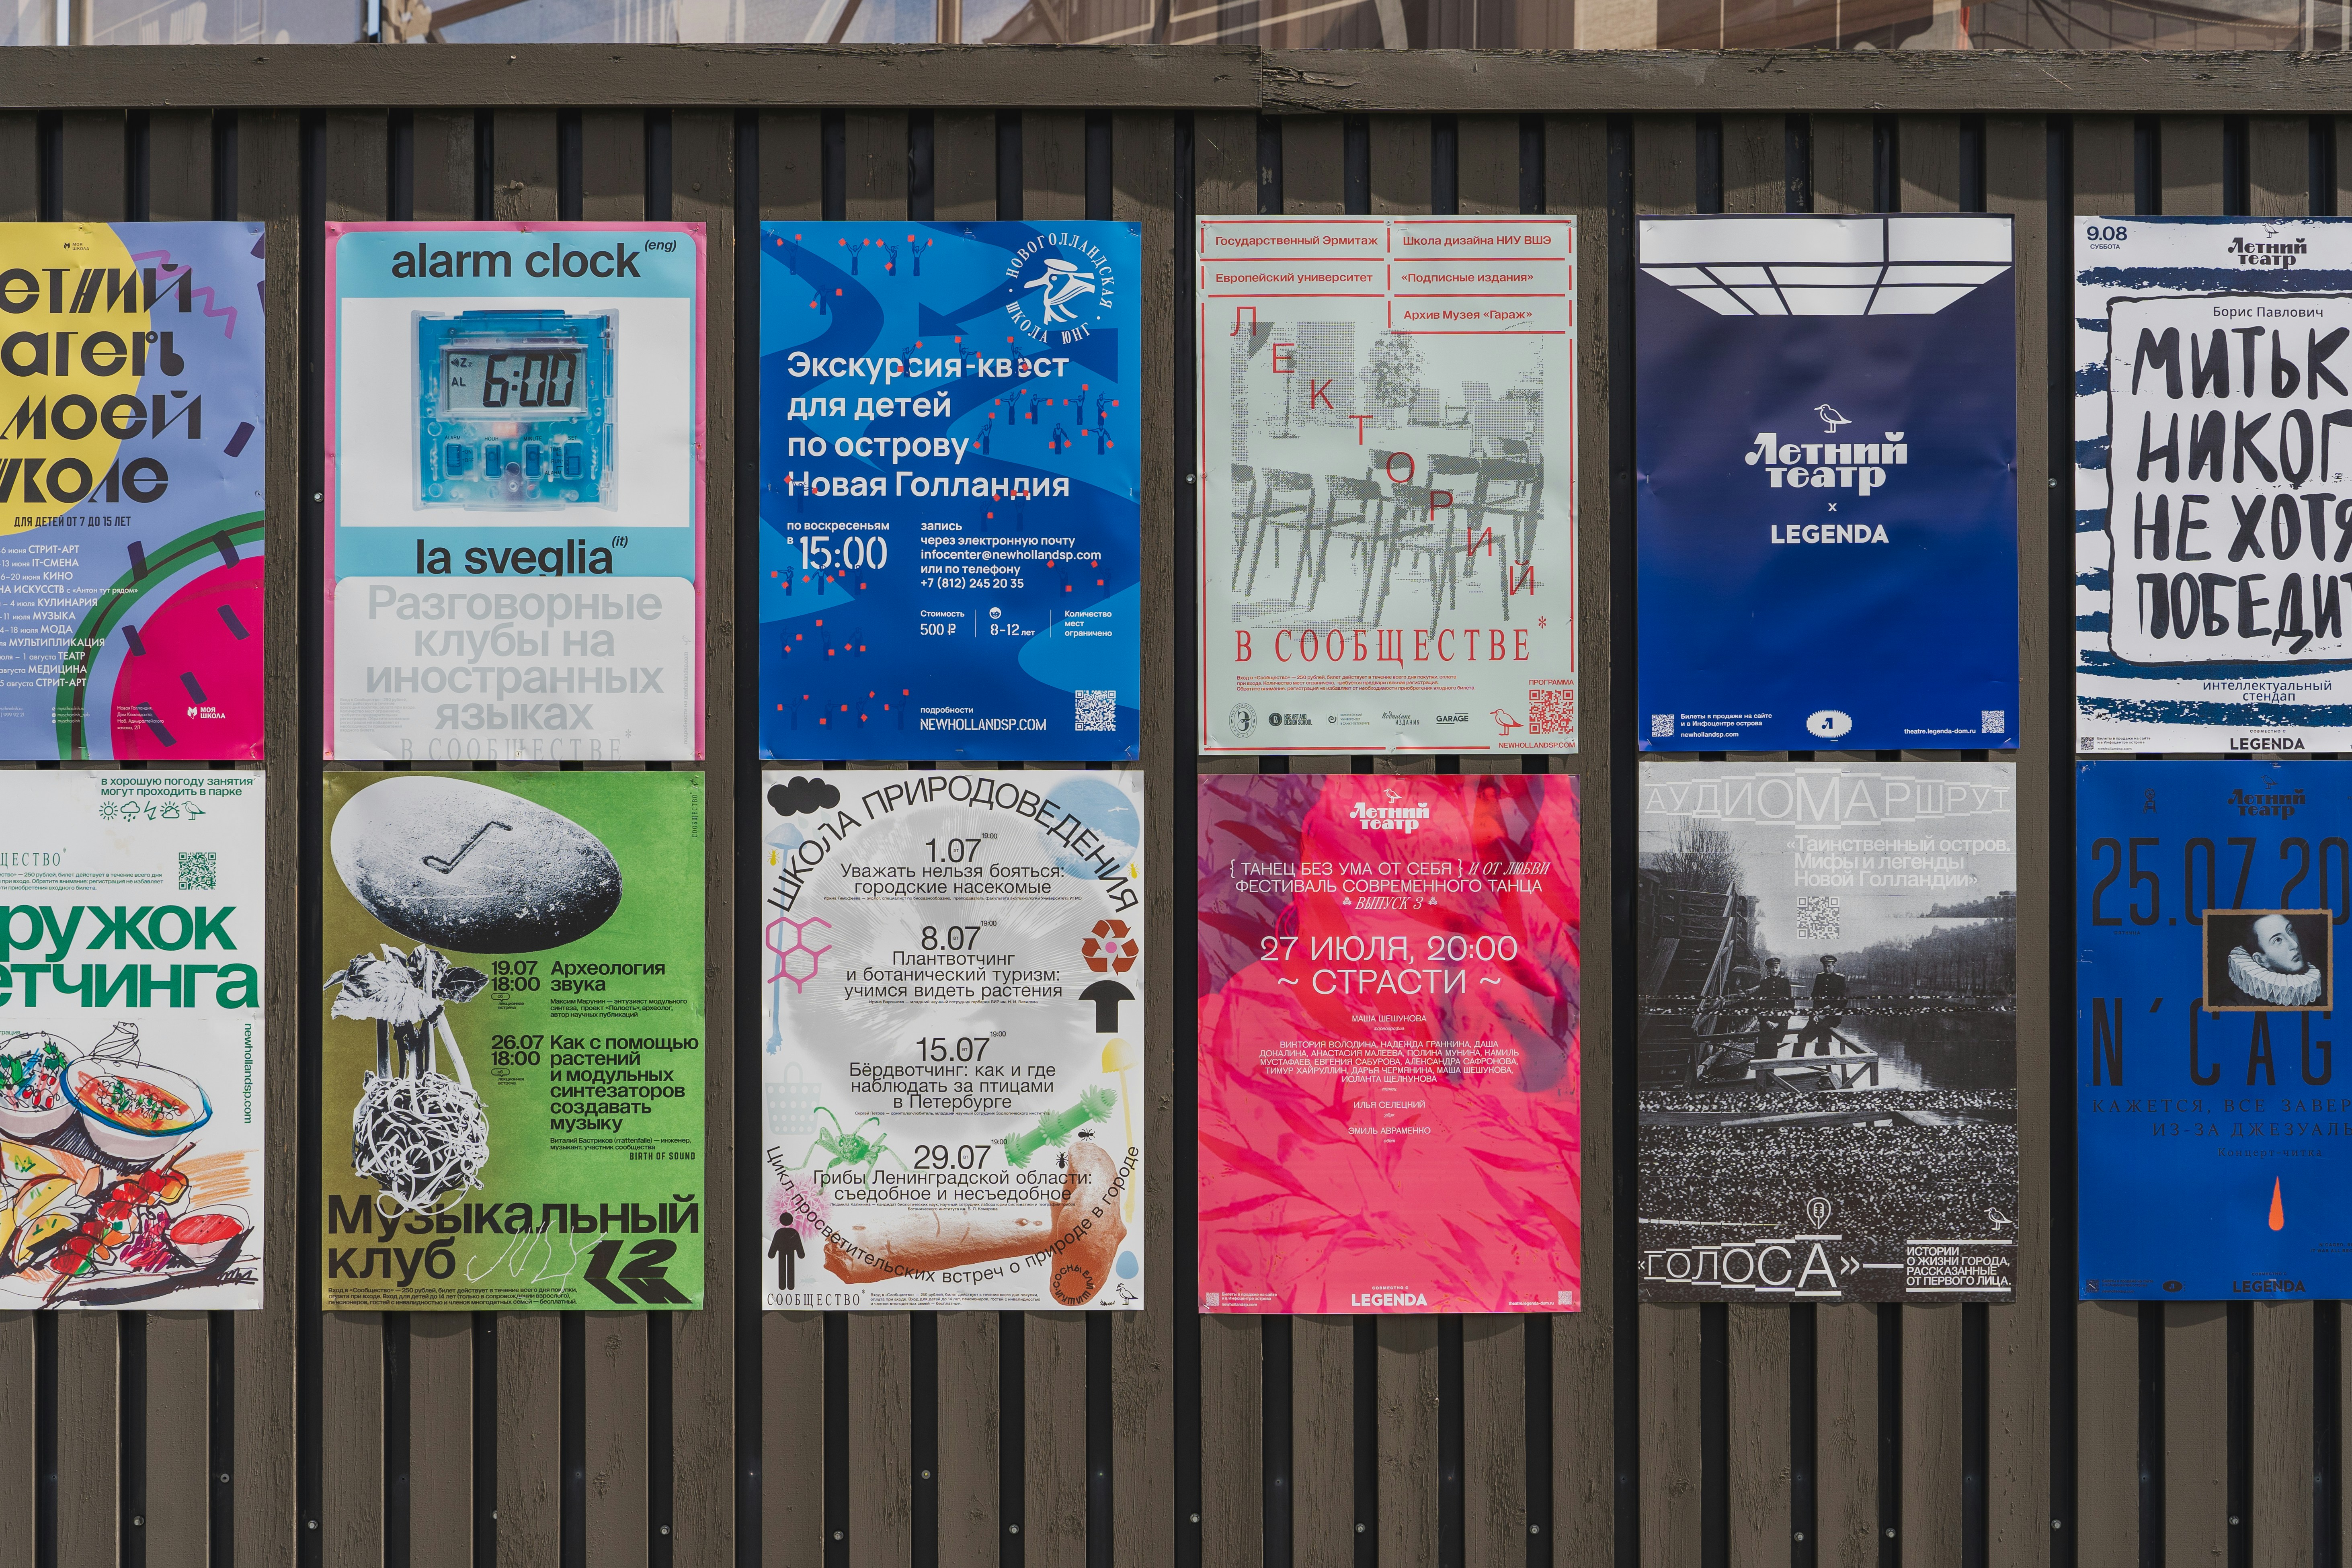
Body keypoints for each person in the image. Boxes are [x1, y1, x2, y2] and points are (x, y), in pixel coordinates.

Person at [2226, 913, 2325, 1007]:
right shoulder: (2234, 1003)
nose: (2294, 945)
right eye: (2278, 940)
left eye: (2290, 931)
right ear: (2261, 960)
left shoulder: (2311, 992)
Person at [1798, 954, 1848, 1056]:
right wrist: (1815, 1015)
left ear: (1834, 966)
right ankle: (1797, 1061)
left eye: (1829, 966)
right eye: (1825, 966)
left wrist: (1826, 1011)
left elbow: (1842, 1001)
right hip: (1818, 1016)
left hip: (1832, 1017)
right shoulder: (1820, 977)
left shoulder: (1840, 979)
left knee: (1823, 1035)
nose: (1827, 968)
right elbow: (1815, 998)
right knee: (1802, 1036)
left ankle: (1822, 1061)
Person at [769, 1216, 805, 1293]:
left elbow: (774, 1245)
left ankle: (782, 1285)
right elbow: (799, 1244)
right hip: (791, 1252)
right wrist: (801, 1254)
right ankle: (791, 1285)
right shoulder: (794, 1232)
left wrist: (772, 1254)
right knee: (791, 1267)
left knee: (782, 1267)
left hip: (782, 1252)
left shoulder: (779, 1232)